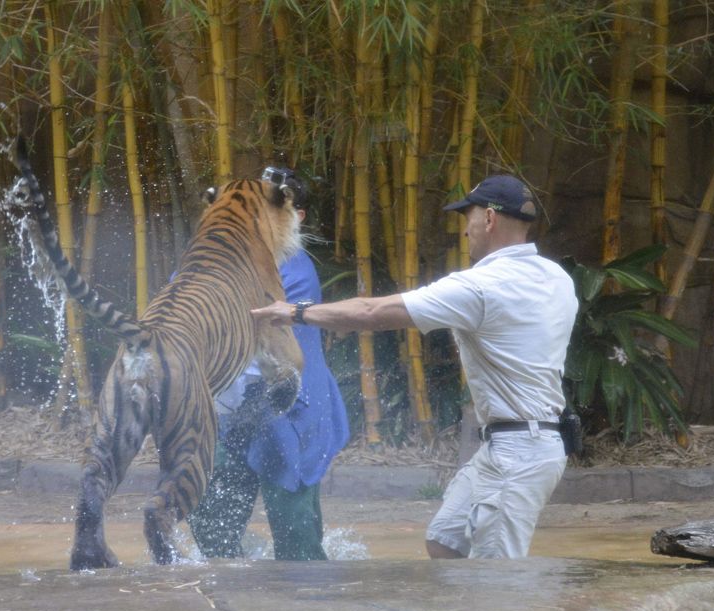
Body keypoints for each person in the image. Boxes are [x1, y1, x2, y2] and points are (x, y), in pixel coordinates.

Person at [252, 174, 578, 559]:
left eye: (469, 218)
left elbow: (372, 312)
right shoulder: (556, 278)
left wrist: (295, 312)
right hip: (521, 442)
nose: (466, 230)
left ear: (489, 219)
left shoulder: (482, 286)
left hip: (518, 452)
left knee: (498, 578)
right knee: (444, 541)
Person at [188, 166, 350, 561]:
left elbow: (253, 345)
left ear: (295, 216)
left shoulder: (295, 271)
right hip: (231, 416)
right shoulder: (218, 253)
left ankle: (304, 597)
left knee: (297, 543)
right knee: (210, 529)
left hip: (290, 414)